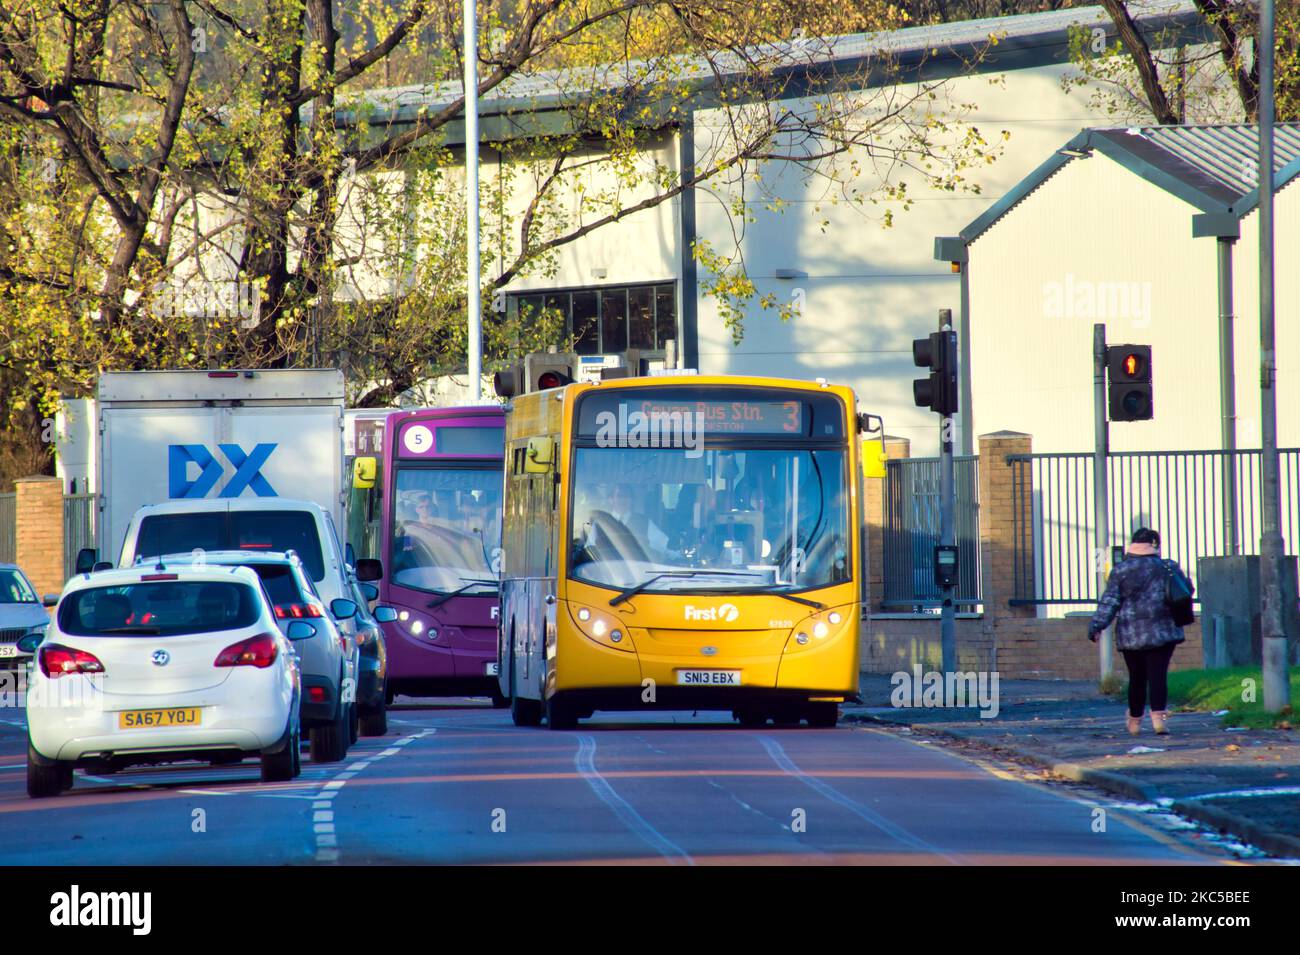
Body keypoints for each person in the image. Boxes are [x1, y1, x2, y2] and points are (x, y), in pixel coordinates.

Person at [1088, 527, 1189, 736]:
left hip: (1131, 634)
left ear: (1133, 544)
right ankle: (1158, 721)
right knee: (1158, 676)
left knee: (1137, 678)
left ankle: (1134, 722)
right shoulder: (1168, 567)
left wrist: (1097, 625)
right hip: (1162, 632)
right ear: (1154, 544)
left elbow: (1110, 601)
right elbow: (1186, 590)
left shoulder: (1121, 570)